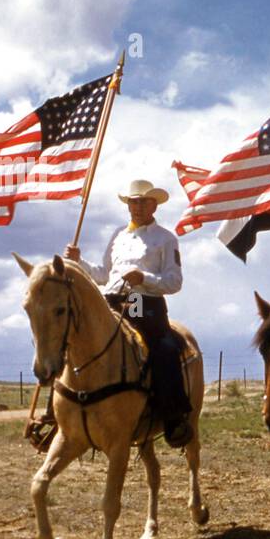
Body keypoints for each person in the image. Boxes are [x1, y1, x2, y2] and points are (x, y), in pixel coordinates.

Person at [64, 179, 192, 448]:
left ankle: (173, 416)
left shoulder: (166, 239)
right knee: (73, 339)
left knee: (164, 347)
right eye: (134, 201)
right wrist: (79, 262)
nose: (137, 206)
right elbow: (102, 275)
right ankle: (62, 413)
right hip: (110, 299)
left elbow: (175, 281)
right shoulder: (118, 235)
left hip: (142, 301)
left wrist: (143, 277)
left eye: (143, 201)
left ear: (154, 205)